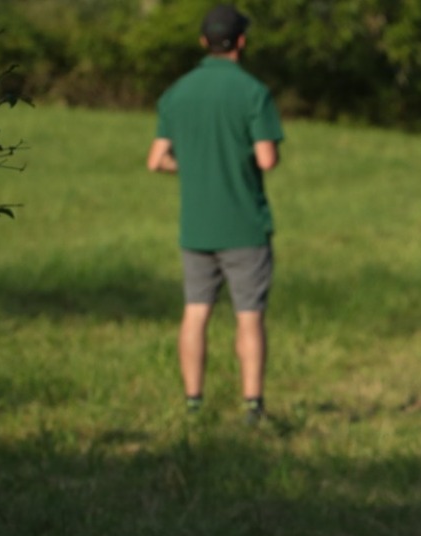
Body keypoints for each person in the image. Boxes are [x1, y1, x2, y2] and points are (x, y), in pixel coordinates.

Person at [148, 4, 283, 423]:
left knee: (195, 313)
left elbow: (157, 159)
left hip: (196, 227)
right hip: (244, 225)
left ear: (204, 41)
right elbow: (266, 159)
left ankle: (193, 402)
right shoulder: (253, 92)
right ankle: (252, 406)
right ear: (241, 41)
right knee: (249, 317)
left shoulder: (177, 92)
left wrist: (194, 163)